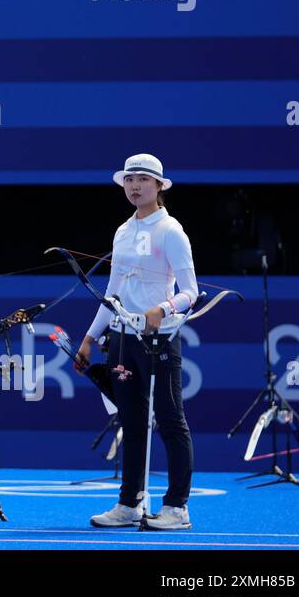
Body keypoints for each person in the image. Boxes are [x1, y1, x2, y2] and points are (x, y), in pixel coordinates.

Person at [76, 154, 199, 530]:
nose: (134, 186)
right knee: (130, 420)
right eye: (129, 179)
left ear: (159, 186)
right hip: (123, 338)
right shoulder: (122, 231)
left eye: (143, 180)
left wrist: (162, 309)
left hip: (159, 339)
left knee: (170, 418)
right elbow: (113, 293)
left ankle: (177, 508)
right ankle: (130, 503)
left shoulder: (171, 230)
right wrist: (89, 337)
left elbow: (191, 291)